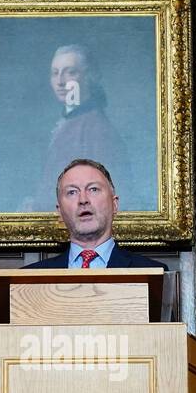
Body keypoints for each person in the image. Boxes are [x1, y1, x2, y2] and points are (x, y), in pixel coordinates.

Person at [26, 45, 134, 213]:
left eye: (70, 72)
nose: (60, 81)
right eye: (55, 73)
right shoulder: (69, 121)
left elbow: (109, 196)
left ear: (89, 77)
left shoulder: (97, 129)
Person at [24, 159, 166, 271]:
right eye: (72, 192)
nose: (83, 199)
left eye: (93, 189)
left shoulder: (151, 272)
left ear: (114, 204)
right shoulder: (27, 279)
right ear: (59, 212)